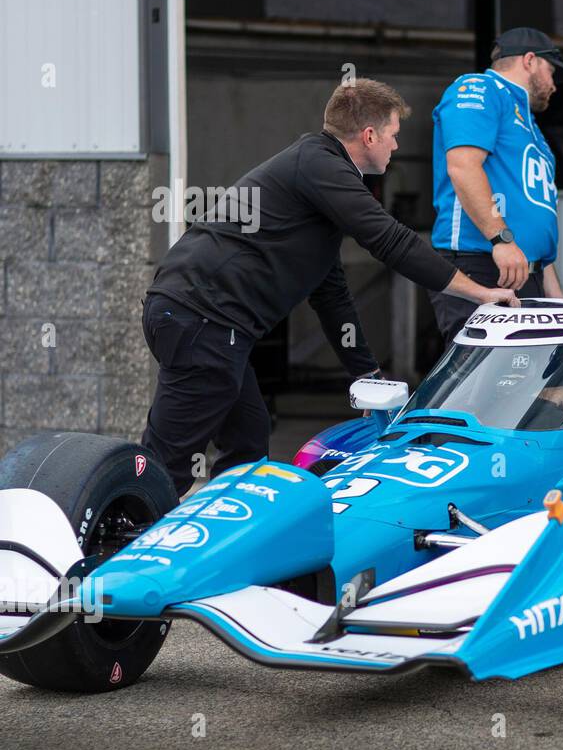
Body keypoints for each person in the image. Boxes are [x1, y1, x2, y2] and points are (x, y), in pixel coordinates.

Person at [143, 79, 517, 496]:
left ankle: (225, 536)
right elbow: (389, 239)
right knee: (167, 461)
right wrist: (478, 292)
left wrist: (365, 372)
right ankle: (118, 548)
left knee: (248, 439)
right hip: (200, 317)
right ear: (370, 135)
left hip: (208, 322)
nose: (395, 147)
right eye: (394, 136)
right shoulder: (320, 164)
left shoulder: (320, 176)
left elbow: (330, 290)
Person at [430, 27, 563, 346]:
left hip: (526, 271)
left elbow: (536, 212)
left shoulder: (530, 125)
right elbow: (463, 165)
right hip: (480, 262)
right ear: (531, 61)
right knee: (483, 386)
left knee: (531, 387)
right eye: (552, 73)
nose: (554, 86)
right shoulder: (480, 86)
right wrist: (501, 238)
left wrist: (554, 292)